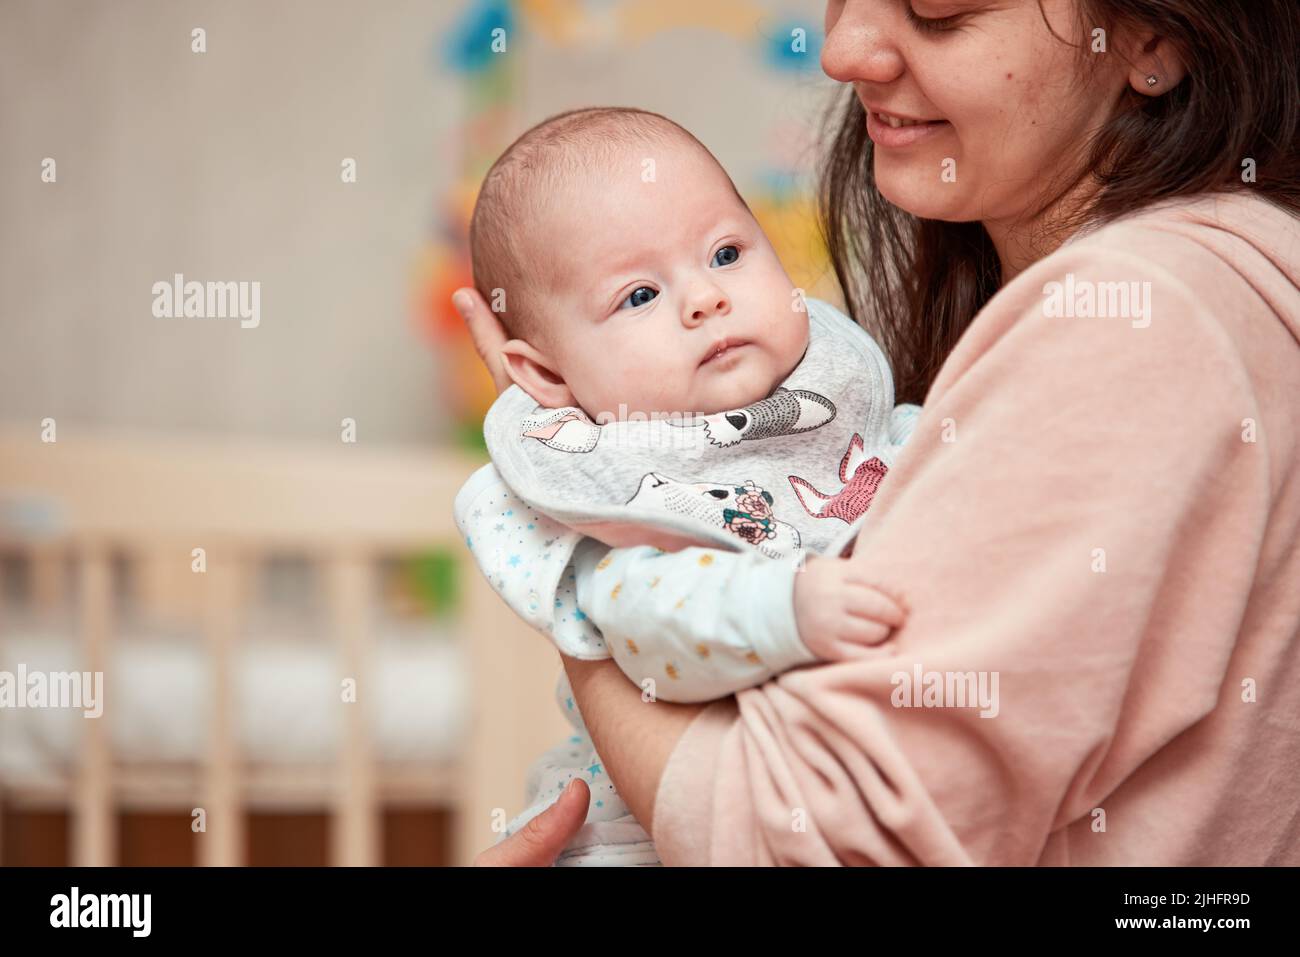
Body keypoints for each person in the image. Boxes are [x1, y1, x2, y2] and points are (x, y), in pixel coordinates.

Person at [455, 0, 1300, 865]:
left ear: (1152, 38)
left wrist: (575, 542)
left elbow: (809, 843)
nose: (843, 49)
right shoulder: (1192, 284)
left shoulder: (1130, 317)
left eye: (937, 9)